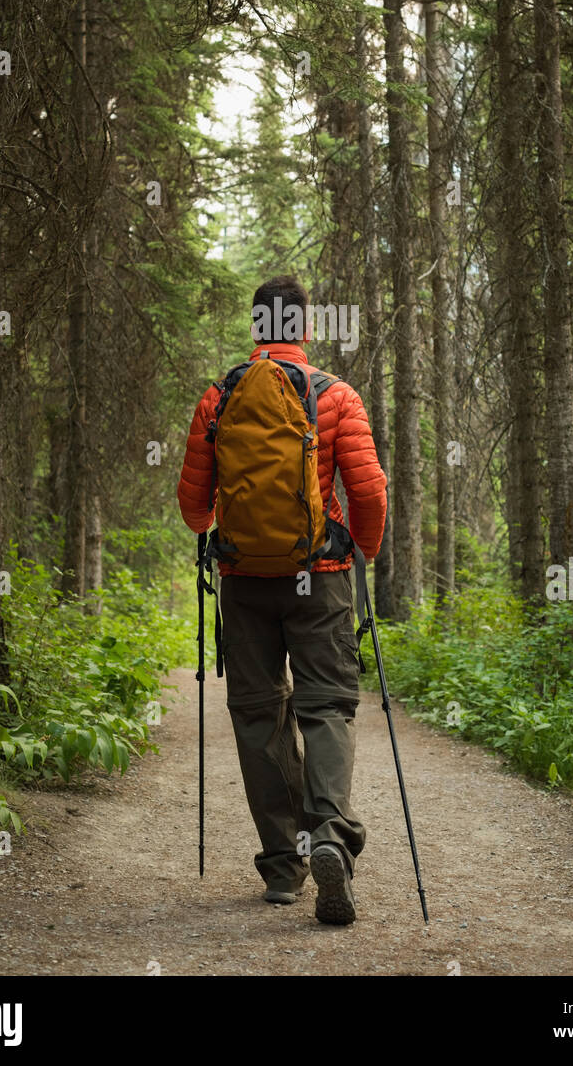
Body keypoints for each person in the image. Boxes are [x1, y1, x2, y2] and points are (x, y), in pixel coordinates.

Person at [176, 275, 387, 924]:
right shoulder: (336, 397)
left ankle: (282, 868)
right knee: (326, 708)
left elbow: (192, 509)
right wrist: (364, 552)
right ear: (304, 328)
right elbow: (369, 492)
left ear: (256, 330)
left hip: (244, 583)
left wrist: (223, 528)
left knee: (258, 716)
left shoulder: (220, 397)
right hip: (318, 576)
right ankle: (329, 836)